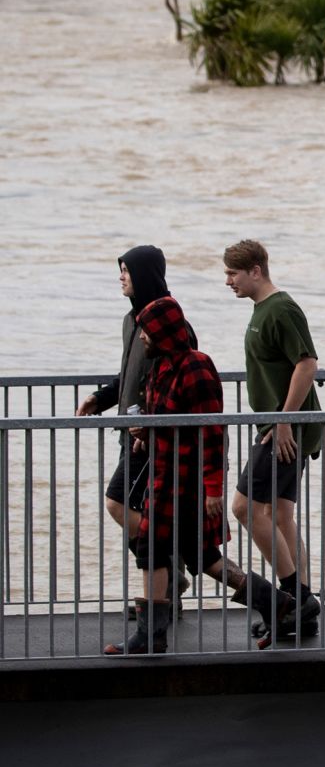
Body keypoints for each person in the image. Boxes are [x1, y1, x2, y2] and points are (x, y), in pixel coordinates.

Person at [104, 295, 293, 655]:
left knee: (150, 549)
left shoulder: (197, 368)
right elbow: (162, 418)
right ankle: (274, 601)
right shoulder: (160, 367)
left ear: (165, 330)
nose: (142, 337)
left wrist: (213, 490)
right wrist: (145, 433)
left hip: (186, 483)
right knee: (203, 556)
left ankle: (149, 637)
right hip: (163, 476)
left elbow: (213, 432)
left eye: (147, 330)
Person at [76, 245, 190, 615]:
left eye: (126, 270)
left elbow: (178, 378)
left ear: (144, 275)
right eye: (120, 270)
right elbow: (130, 375)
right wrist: (102, 398)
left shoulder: (171, 322)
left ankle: (173, 567)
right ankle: (164, 591)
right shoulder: (132, 320)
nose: (121, 277)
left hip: (153, 435)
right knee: (130, 507)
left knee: (119, 503)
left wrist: (152, 423)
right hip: (132, 432)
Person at [223, 239, 321, 639]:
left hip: (284, 430)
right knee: (280, 515)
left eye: (233, 273)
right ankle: (301, 608)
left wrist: (283, 421)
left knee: (244, 508)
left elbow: (307, 363)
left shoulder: (281, 309)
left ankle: (293, 599)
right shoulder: (261, 310)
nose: (227, 281)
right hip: (280, 426)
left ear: (256, 271)